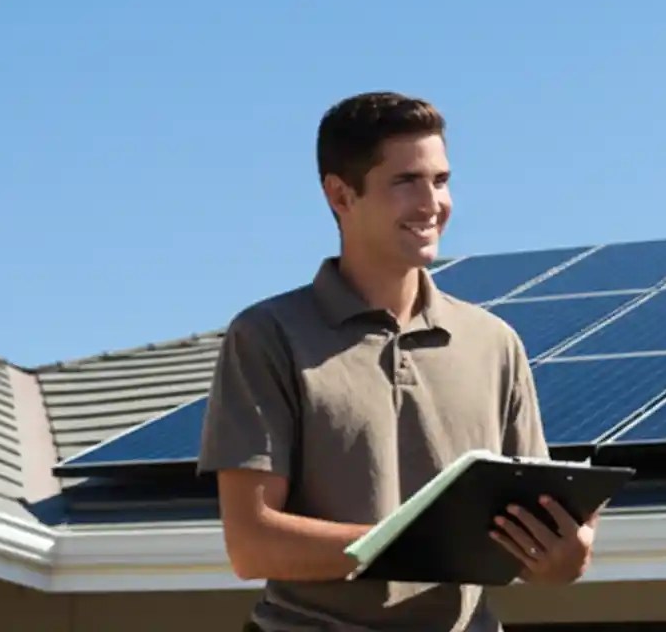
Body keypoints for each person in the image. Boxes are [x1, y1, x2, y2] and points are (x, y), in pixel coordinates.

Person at [197, 91, 599, 632]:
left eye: (441, 180)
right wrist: (416, 543)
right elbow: (252, 544)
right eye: (406, 181)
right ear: (340, 195)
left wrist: (563, 556)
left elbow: (537, 549)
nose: (432, 203)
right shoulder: (269, 336)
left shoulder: (494, 343)